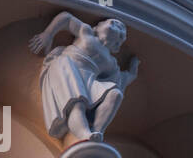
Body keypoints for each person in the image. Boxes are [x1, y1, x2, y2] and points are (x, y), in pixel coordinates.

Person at [28, 11, 139, 141]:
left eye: (121, 31)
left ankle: (97, 132)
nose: (117, 25)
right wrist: (48, 34)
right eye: (112, 22)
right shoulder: (87, 33)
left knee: (116, 94)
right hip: (67, 68)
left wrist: (132, 71)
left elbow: (121, 79)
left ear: (117, 46)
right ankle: (83, 133)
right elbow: (66, 18)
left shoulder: (111, 62)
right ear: (97, 27)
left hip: (89, 81)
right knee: (77, 103)